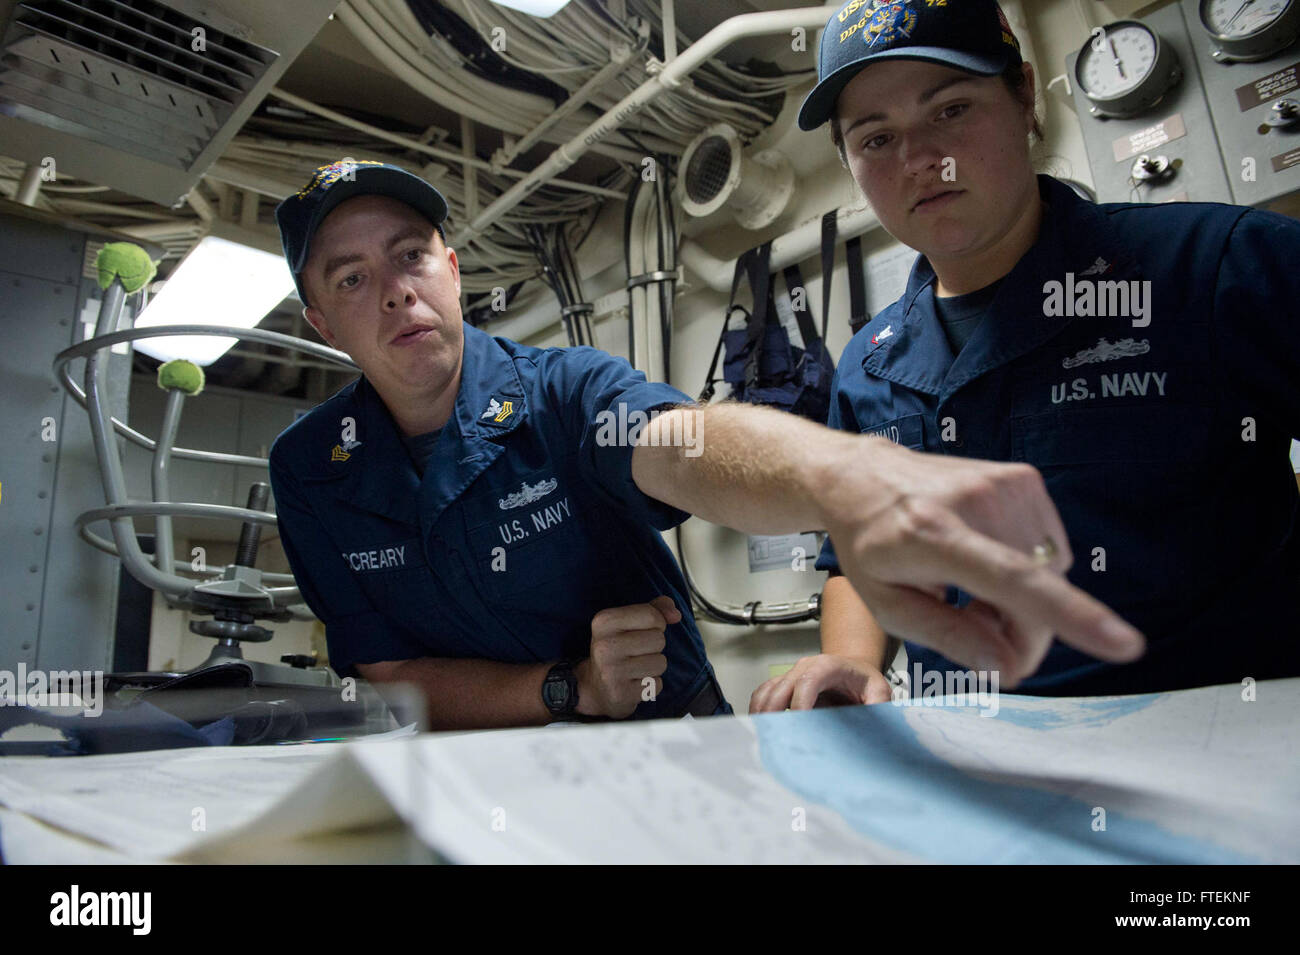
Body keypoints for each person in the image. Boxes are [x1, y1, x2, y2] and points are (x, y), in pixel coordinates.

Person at [269, 160, 1141, 731]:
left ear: (453, 269)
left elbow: (678, 442)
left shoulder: (563, 391)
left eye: (412, 255)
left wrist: (844, 472)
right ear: (320, 321)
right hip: (472, 762)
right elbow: (383, 670)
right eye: (353, 278)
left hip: (667, 730)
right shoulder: (310, 468)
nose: (396, 293)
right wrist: (566, 686)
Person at [752, 0, 1300, 712]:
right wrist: (850, 661)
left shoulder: (1214, 267)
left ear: (1025, 98)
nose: (921, 159)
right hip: (974, 767)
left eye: (950, 110)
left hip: (1213, 763)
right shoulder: (867, 364)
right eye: (877, 138)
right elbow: (856, 562)